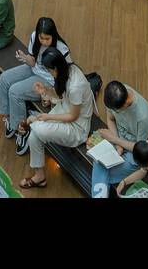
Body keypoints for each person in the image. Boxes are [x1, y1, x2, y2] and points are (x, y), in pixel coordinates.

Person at [18, 49, 95, 190]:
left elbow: (73, 116)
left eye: (48, 70)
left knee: (38, 129)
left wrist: (47, 117)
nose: (48, 73)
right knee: (35, 135)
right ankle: (39, 177)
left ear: (55, 68)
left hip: (77, 127)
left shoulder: (76, 85)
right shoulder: (66, 71)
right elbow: (61, 96)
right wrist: (45, 90)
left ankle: (31, 121)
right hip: (64, 109)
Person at [0, 17, 70, 151]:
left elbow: (65, 75)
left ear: (53, 36)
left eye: (47, 39)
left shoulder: (62, 49)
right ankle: (9, 116)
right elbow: (33, 61)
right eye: (41, 38)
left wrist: (53, 94)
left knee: (15, 91)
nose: (43, 41)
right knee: (4, 78)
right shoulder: (34, 37)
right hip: (33, 69)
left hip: (48, 80)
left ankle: (22, 130)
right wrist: (25, 58)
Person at [90, 79, 148, 198]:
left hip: (136, 154)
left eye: (116, 110)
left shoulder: (143, 117)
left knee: (101, 172)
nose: (113, 112)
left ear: (126, 104)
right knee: (99, 161)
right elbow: (110, 119)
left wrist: (115, 140)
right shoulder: (115, 94)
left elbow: (141, 149)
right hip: (118, 141)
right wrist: (118, 145)